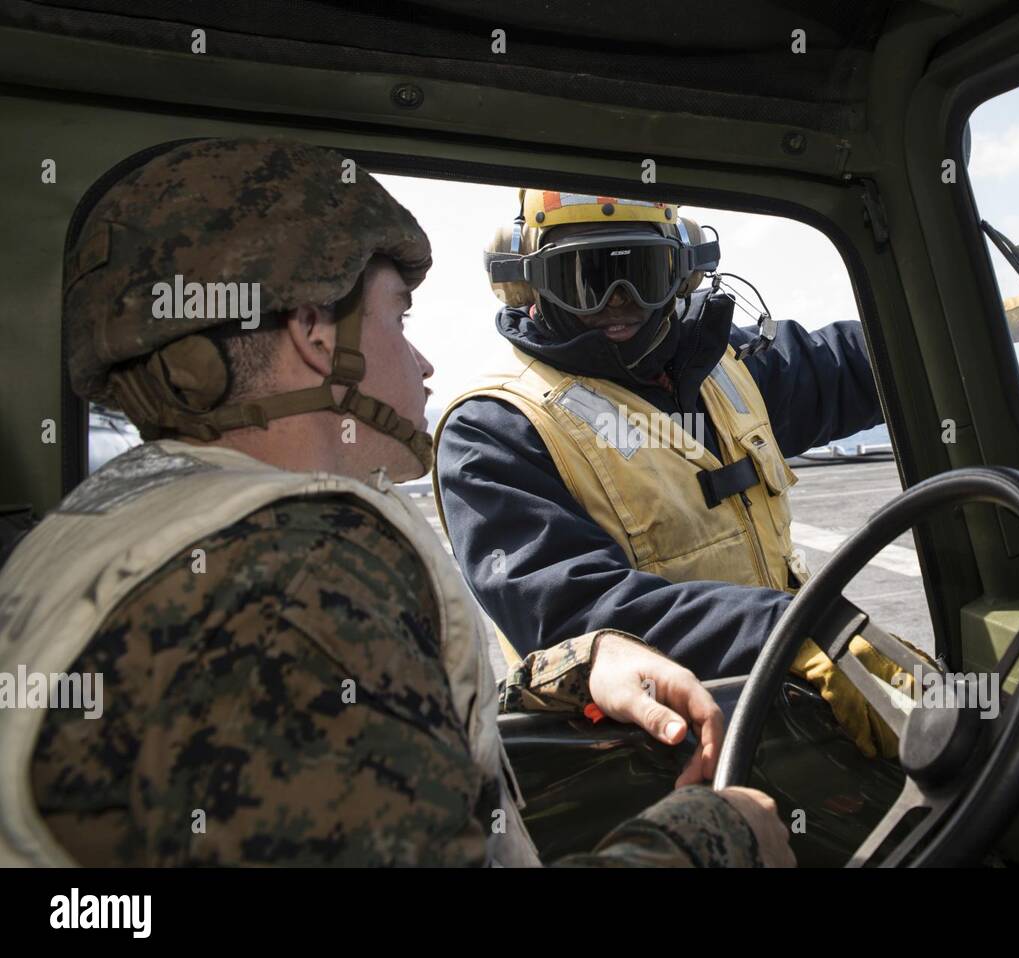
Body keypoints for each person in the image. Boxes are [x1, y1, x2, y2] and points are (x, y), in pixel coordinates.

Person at [0, 138, 793, 868]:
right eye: (399, 318)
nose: (421, 362)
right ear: (315, 331)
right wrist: (716, 837)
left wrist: (574, 666)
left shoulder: (99, 530)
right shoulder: (294, 567)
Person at [433, 189, 1019, 759]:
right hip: (640, 745)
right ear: (528, 285)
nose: (617, 304)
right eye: (587, 277)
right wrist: (791, 632)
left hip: (787, 700)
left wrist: (988, 321)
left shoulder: (728, 371)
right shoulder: (495, 428)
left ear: (682, 276)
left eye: (642, 275)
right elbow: (574, 611)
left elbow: (852, 361)